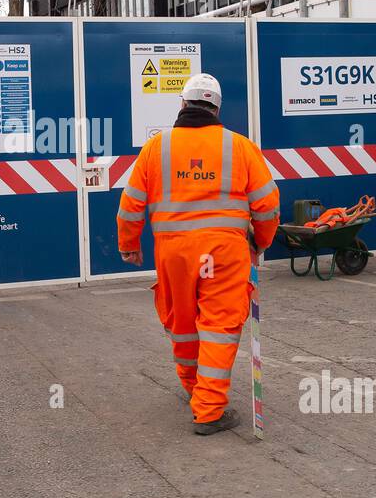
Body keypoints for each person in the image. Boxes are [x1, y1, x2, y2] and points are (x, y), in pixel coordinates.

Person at [116, 74, 280, 435]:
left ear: (182, 104)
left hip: (173, 253)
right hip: (225, 252)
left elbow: (130, 206)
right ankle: (208, 409)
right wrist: (261, 242)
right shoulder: (239, 147)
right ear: (217, 108)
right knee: (220, 327)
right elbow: (267, 205)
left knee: (184, 323)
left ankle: (195, 389)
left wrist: (129, 245)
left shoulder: (155, 148)